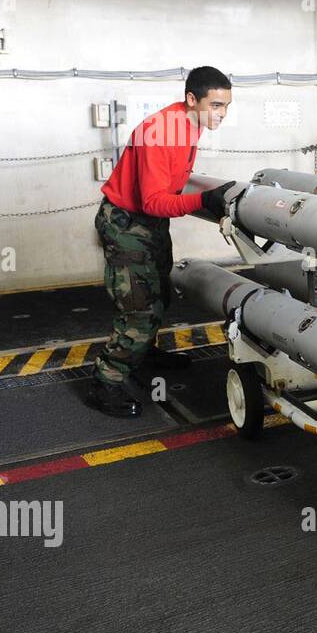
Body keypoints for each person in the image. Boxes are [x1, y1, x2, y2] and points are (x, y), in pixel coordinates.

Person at [88, 67, 236, 418]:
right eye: (216, 105)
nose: (222, 114)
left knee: (159, 291)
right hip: (127, 224)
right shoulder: (159, 133)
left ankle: (143, 351)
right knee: (139, 307)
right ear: (191, 99)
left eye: (227, 106)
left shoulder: (188, 125)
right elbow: (153, 200)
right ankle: (106, 380)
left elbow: (168, 188)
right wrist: (202, 201)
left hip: (150, 224)